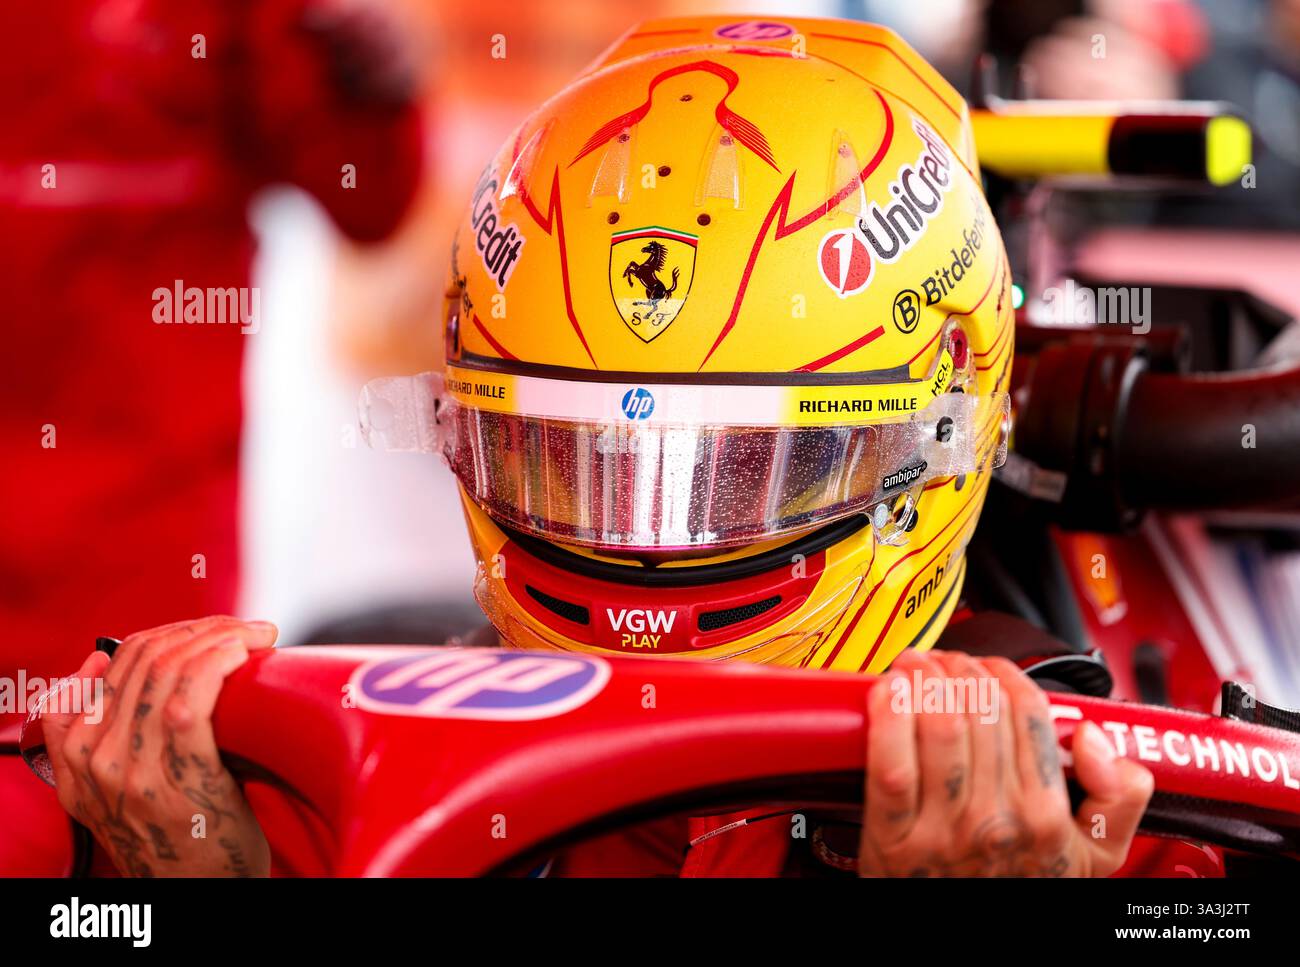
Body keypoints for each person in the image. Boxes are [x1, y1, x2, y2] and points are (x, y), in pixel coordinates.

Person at [39, 15, 1155, 877]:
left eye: (743, 470)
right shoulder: (327, 774)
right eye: (571, 465)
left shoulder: (1127, 819)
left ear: (947, 422)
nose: (647, 555)